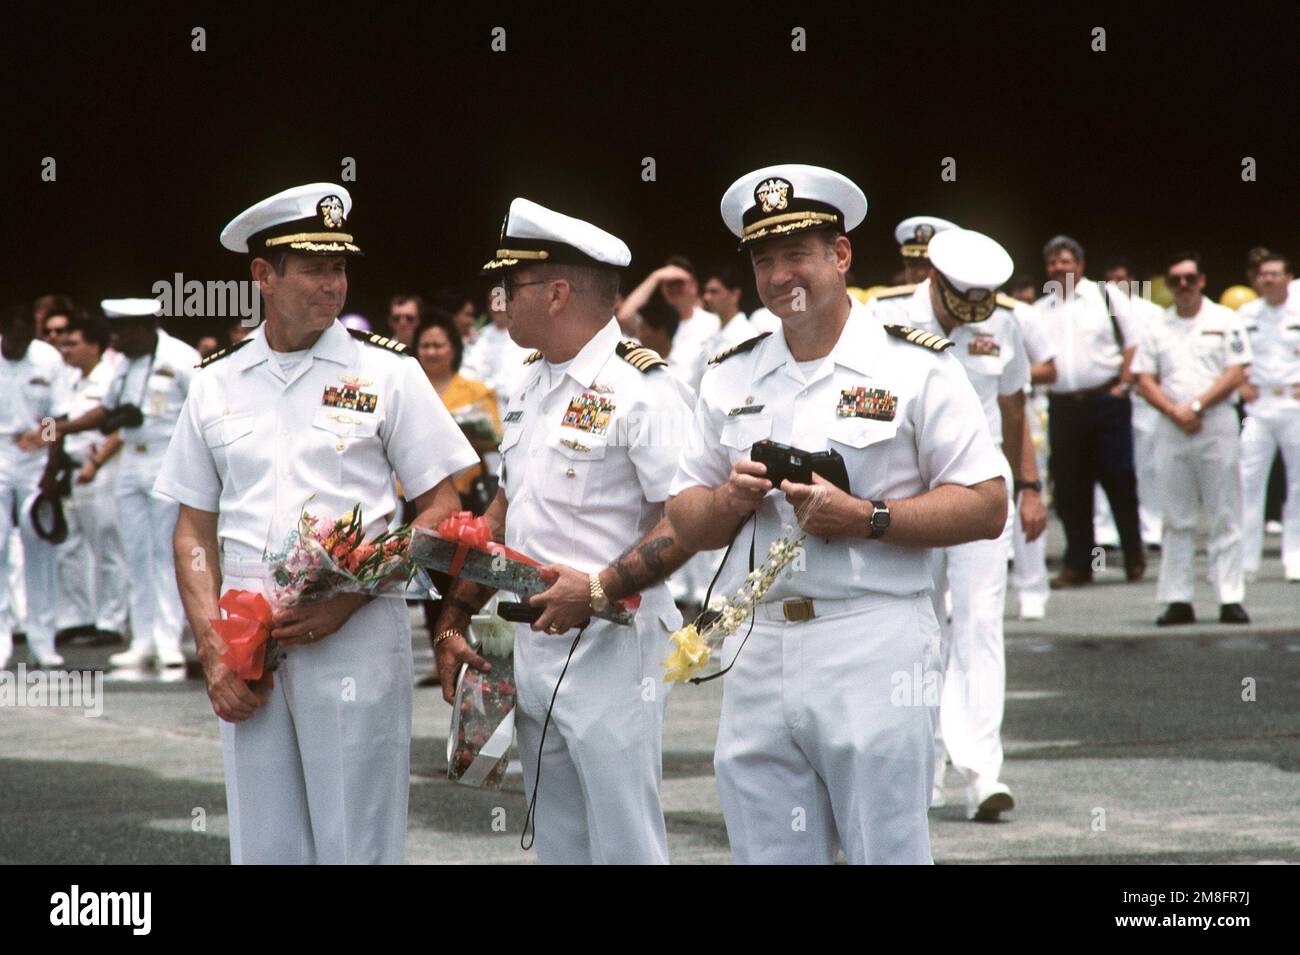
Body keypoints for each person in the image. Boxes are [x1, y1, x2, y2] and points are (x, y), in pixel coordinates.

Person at [666, 164, 1008, 864]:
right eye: (764, 260)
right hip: (756, 647)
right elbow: (682, 513)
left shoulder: (913, 366)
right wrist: (729, 500)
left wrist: (868, 516)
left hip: (872, 636)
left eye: (797, 254)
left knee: (886, 849)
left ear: (842, 255)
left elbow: (986, 503)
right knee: (768, 852)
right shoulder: (731, 371)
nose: (780, 274)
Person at [154, 182, 476, 864]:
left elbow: (443, 505)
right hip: (247, 637)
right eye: (316, 268)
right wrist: (211, 647)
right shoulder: (215, 381)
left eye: (341, 267)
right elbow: (192, 529)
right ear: (262, 275)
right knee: (265, 843)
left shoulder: (386, 370)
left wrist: (353, 594)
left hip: (353, 632)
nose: (335, 284)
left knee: (356, 839)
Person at [434, 197, 696, 864]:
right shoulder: (532, 383)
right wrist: (457, 612)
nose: (499, 301)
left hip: (614, 642)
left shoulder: (645, 390)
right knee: (559, 841)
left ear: (556, 292)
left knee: (625, 839)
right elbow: (505, 510)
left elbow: (689, 519)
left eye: (510, 286)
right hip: (534, 639)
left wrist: (602, 589)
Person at [867, 228, 1041, 819]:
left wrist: (1031, 487)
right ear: (933, 280)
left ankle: (980, 771)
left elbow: (1016, 409)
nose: (971, 315)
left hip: (981, 491)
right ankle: (921, 771)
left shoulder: (1006, 323)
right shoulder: (881, 318)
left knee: (979, 622)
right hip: (911, 491)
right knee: (913, 621)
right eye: (960, 301)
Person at [25, 297, 200, 667]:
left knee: (164, 553)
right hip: (131, 463)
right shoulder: (125, 363)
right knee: (134, 552)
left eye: (123, 331)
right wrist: (61, 427)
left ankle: (169, 639)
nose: (117, 340)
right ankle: (142, 639)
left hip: (168, 460)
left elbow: (202, 412)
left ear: (145, 327)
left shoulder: (182, 358)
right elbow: (107, 410)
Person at [1133, 252, 1251, 625]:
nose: (1183, 286)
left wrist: (1197, 406)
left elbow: (1236, 372)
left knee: (1225, 513)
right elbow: (1143, 379)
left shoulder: (1225, 319)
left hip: (1214, 422)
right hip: (1171, 426)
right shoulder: (1156, 326)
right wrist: (1174, 411)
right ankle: (1177, 598)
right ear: (1168, 286)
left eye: (1190, 278)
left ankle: (1230, 596)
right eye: (1175, 280)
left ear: (1202, 280)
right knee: (1176, 517)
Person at [1035, 235, 1145, 587]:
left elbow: (1133, 343)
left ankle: (1133, 553)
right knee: (1069, 488)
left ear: (1080, 265)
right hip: (1065, 406)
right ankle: (1078, 565)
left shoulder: (1108, 297)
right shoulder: (1041, 309)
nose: (1059, 268)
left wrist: (1122, 386)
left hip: (1106, 402)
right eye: (1053, 263)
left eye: (1065, 261)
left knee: (1118, 479)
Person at [0, 306, 74, 670]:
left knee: (39, 550)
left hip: (34, 457)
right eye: (14, 334)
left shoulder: (47, 359)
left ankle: (42, 640)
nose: (22, 340)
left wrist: (51, 465)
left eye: (27, 332)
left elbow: (56, 418)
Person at [55, 314, 128, 642]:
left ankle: (111, 620)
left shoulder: (110, 378)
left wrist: (96, 463)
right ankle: (80, 615)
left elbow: (121, 428)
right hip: (70, 470)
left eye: (72, 342)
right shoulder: (68, 379)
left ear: (94, 346)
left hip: (100, 469)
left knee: (107, 545)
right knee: (71, 547)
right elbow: (54, 423)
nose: (64, 348)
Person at [1238, 253, 1299, 581]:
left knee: (1298, 484)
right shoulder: (1246, 314)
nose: (1269, 280)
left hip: (1294, 405)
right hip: (1258, 408)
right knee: (1247, 483)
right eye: (1264, 275)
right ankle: (1246, 562)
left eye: (1275, 274)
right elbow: (1232, 356)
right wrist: (1240, 384)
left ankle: (1296, 557)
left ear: (1289, 277)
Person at [1099, 261, 1167, 549]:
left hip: (1142, 394)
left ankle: (1151, 528)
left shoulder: (1152, 312)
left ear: (1133, 280)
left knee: (1148, 464)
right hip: (1110, 393)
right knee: (1106, 463)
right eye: (1111, 280)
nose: (1118, 284)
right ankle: (1105, 531)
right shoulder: (1097, 310)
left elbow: (1160, 352)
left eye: (1123, 278)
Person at [617, 255, 719, 389]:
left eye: (679, 283)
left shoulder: (711, 322)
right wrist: (656, 276)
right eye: (668, 283)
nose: (674, 289)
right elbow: (624, 316)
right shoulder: (654, 322)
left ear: (694, 285)